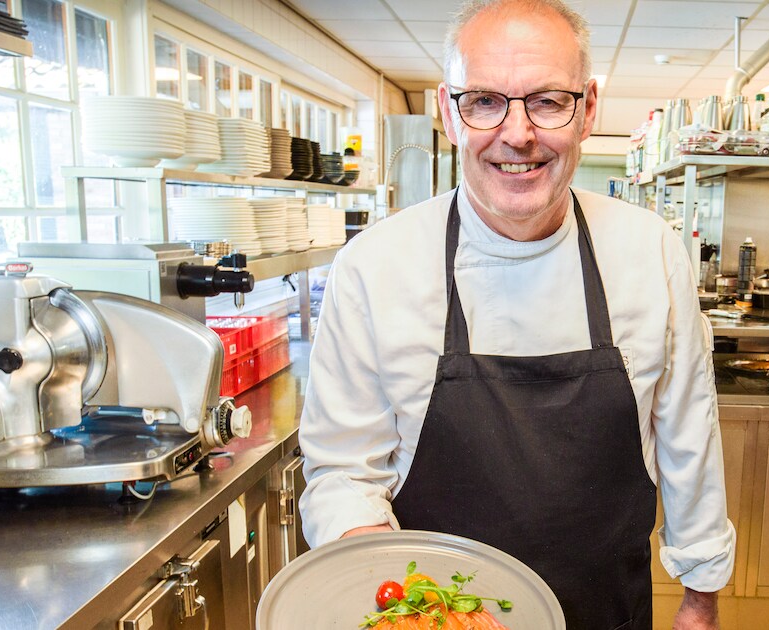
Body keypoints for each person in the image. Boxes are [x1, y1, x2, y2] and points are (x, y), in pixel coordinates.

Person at [298, 1, 735, 627]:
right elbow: (343, 471)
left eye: (547, 101)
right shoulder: (374, 267)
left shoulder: (651, 252)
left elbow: (689, 435)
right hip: (434, 614)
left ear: (587, 110)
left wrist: (701, 594)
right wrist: (409, 609)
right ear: (450, 114)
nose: (517, 133)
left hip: (606, 609)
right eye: (484, 101)